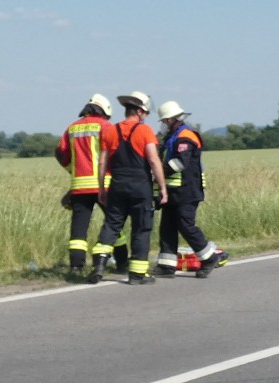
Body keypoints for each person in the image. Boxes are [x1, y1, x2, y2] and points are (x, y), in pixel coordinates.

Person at [89, 91, 167, 285]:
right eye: (146, 113)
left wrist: (101, 189)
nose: (146, 117)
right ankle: (137, 274)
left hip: (117, 186)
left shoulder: (109, 131)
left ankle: (98, 266)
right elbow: (153, 161)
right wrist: (163, 188)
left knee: (112, 225)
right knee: (141, 228)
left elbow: (102, 163)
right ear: (140, 111)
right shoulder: (145, 131)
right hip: (140, 187)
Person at [153, 101, 227, 278]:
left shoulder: (186, 136)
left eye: (164, 121)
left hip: (187, 191)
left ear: (171, 120)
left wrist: (157, 171)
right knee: (167, 228)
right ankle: (167, 266)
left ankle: (209, 258)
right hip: (173, 192)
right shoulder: (172, 137)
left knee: (186, 226)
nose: (163, 125)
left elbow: (180, 162)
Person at [56, 93, 115, 279]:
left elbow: (61, 154)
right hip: (103, 185)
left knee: (78, 230)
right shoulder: (106, 126)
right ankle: (121, 261)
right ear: (104, 111)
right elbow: (114, 154)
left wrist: (72, 171)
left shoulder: (72, 128)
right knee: (114, 224)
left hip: (79, 186)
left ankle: (76, 267)